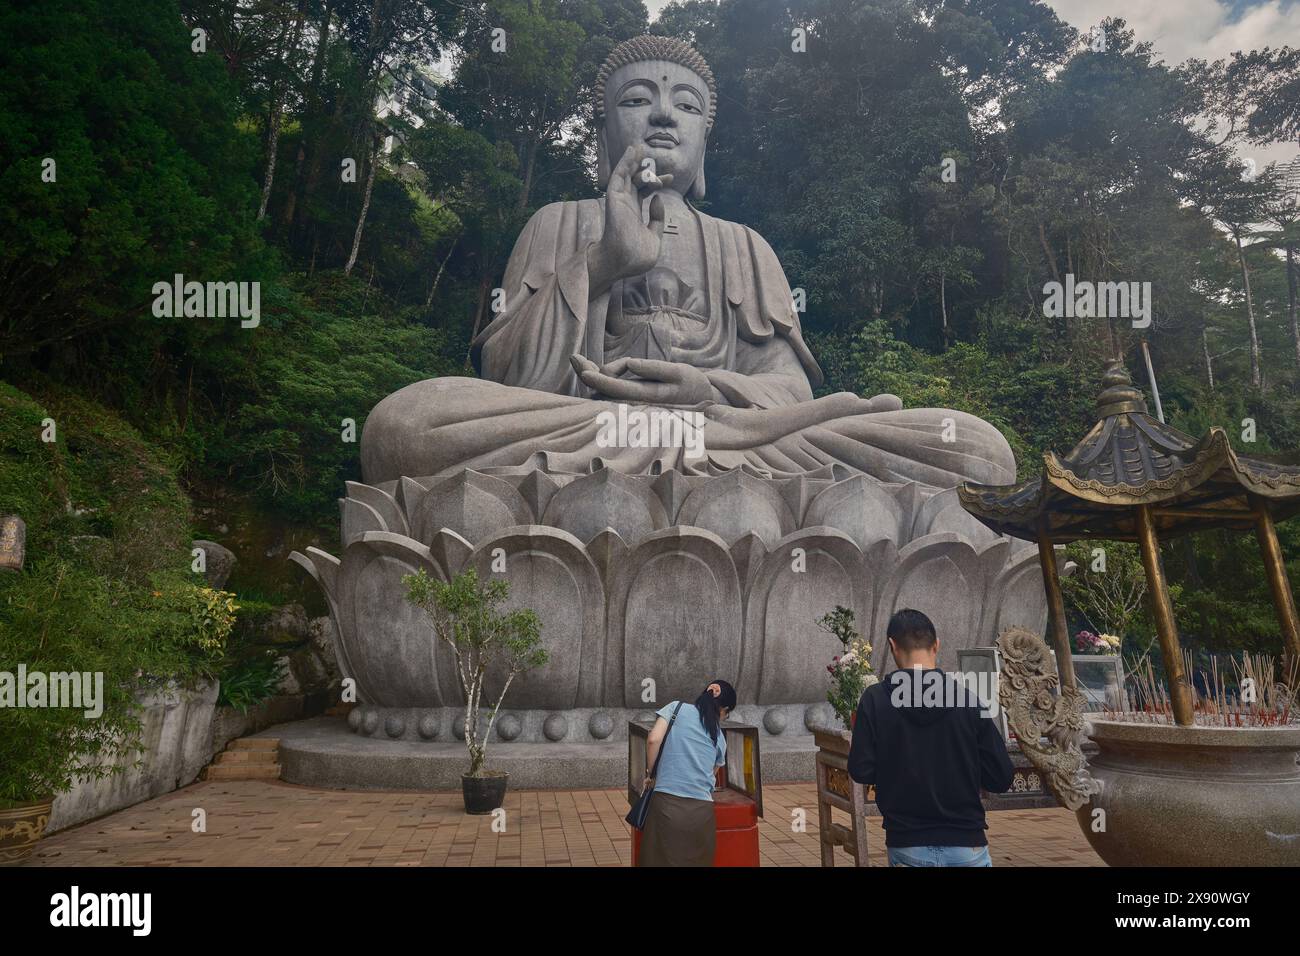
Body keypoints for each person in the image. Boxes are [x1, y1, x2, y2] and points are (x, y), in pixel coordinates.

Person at [847, 609, 1014, 867]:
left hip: (907, 843)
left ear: (892, 645)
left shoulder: (875, 700)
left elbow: (861, 770)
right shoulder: (968, 700)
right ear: (936, 645)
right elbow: (1001, 777)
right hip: (967, 843)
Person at [636, 679, 737, 867]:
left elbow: (653, 739)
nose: (724, 717)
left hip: (666, 806)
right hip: (701, 815)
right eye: (726, 713)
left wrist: (651, 774)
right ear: (723, 708)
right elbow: (711, 776)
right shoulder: (720, 738)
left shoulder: (676, 708)